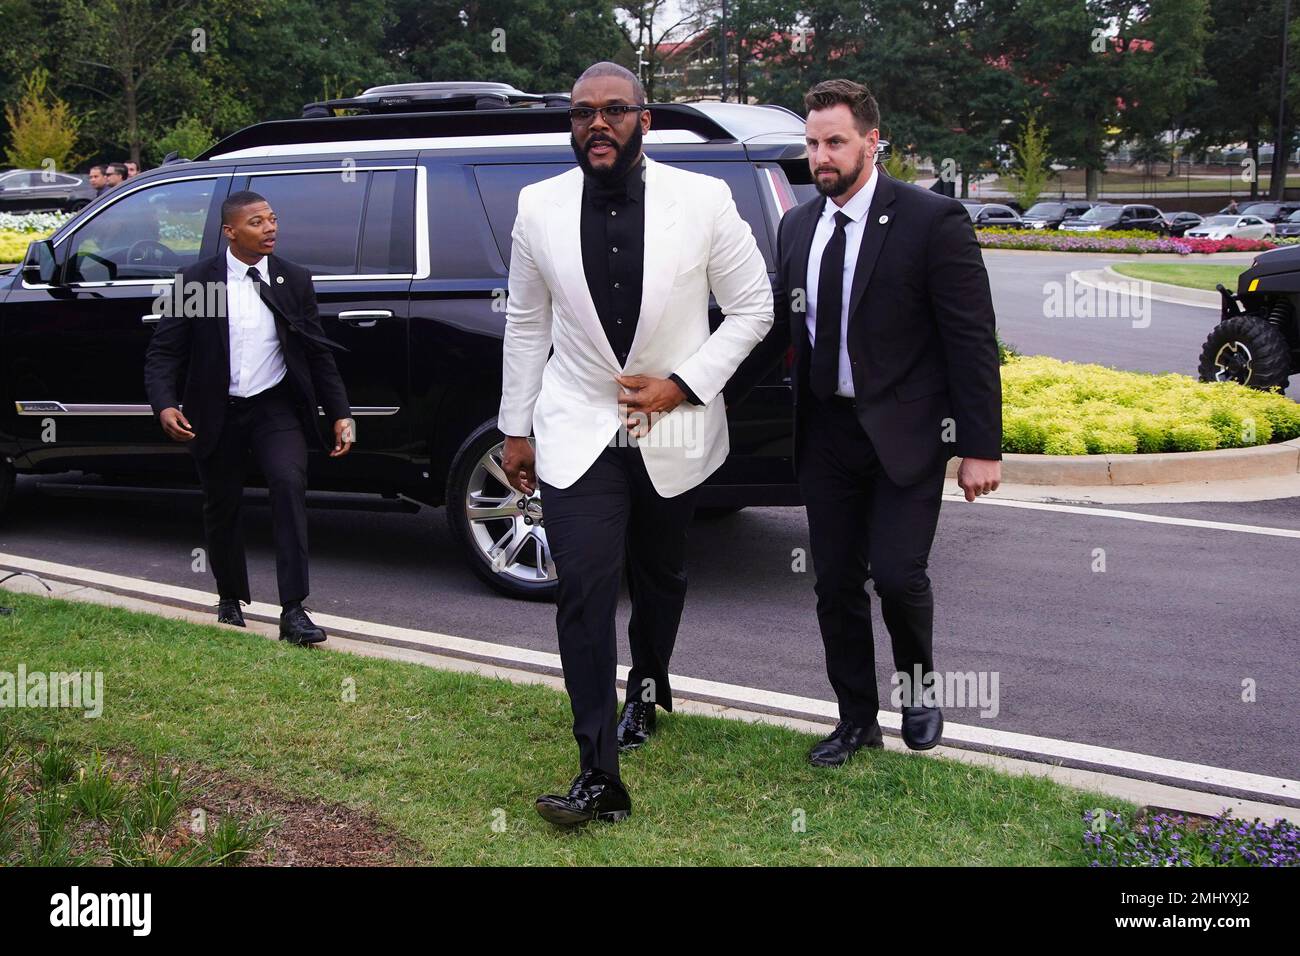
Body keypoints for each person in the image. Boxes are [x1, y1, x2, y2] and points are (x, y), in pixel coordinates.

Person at [498, 61, 774, 826]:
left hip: (672, 423)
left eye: (614, 110)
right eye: (583, 112)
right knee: (582, 587)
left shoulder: (705, 198)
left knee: (660, 575)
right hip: (577, 423)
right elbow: (526, 321)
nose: (597, 122)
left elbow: (754, 308)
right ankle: (598, 775)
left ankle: (647, 690)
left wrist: (682, 385)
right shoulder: (537, 206)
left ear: (643, 121)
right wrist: (514, 426)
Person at [758, 79, 1002, 766]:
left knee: (897, 576)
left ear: (872, 141)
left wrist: (980, 447)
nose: (821, 157)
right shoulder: (797, 225)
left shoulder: (933, 221)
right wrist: (694, 391)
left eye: (834, 142)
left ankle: (919, 691)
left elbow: (971, 340)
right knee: (834, 583)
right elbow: (781, 329)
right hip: (826, 435)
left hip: (906, 437)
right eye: (811, 144)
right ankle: (855, 720)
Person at [144, 190, 354, 645]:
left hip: (275, 407)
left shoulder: (292, 280)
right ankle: (229, 597)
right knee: (222, 504)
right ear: (230, 231)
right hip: (215, 411)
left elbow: (318, 353)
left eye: (273, 219)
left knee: (287, 484)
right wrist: (165, 404)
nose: (270, 228)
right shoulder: (198, 283)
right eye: (257, 222)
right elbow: (163, 354)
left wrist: (340, 412)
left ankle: (294, 610)